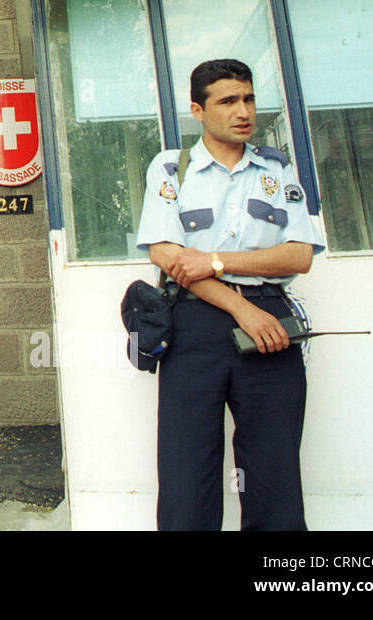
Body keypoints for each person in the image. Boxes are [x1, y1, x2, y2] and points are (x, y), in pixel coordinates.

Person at [135, 58, 325, 531]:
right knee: (186, 477)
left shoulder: (277, 170)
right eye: (227, 101)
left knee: (273, 476)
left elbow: (299, 255)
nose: (243, 111)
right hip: (196, 327)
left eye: (248, 99)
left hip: (271, 325)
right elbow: (166, 253)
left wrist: (216, 261)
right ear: (198, 110)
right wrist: (240, 307)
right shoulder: (171, 168)